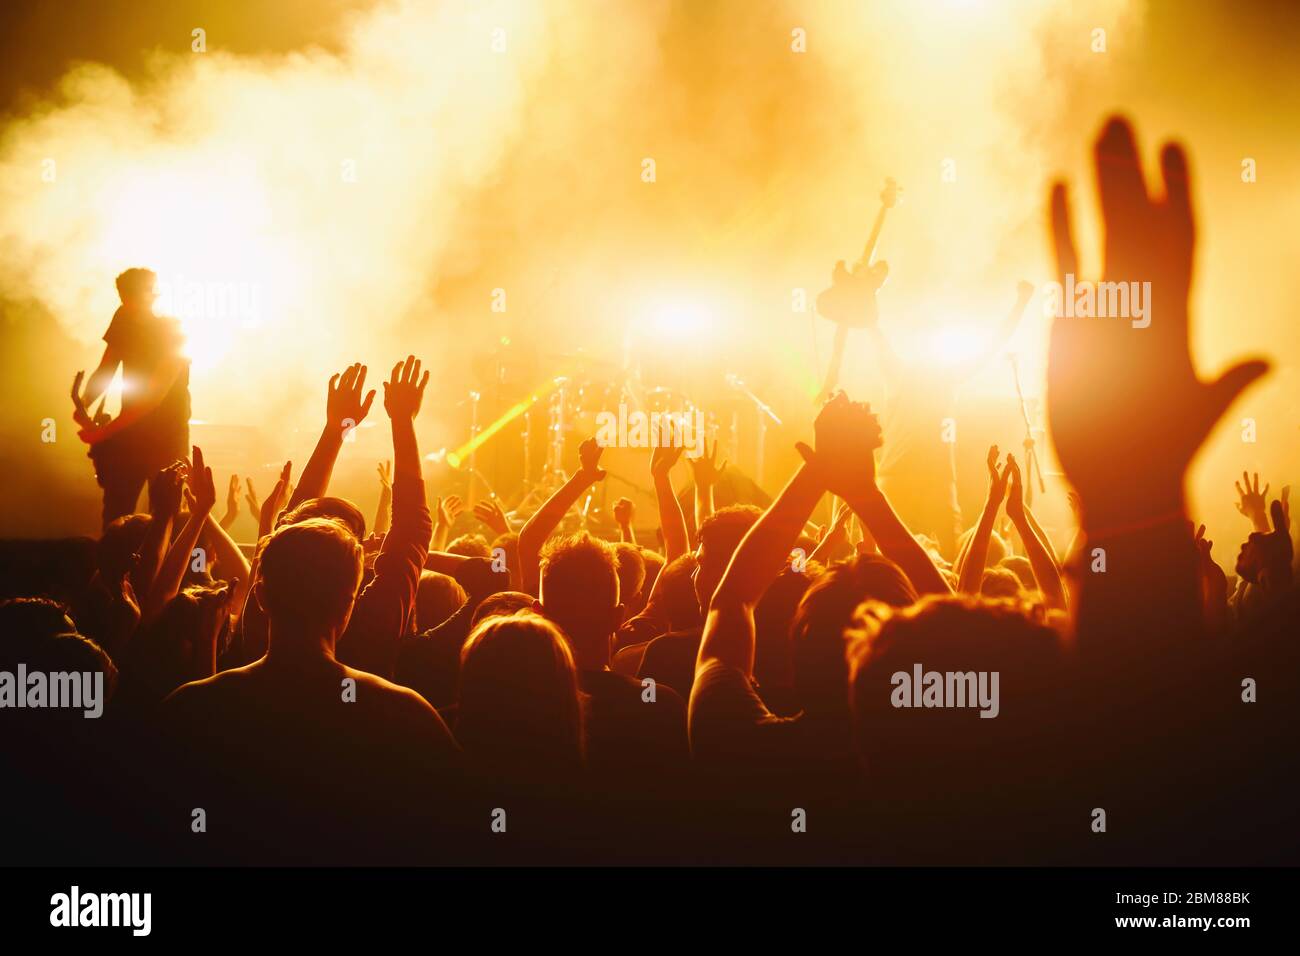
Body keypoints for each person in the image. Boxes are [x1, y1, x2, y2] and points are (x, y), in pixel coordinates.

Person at [160, 517, 461, 864]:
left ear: (260, 597)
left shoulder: (192, 707)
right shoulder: (403, 713)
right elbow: (467, 828)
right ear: (348, 605)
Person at [73, 269, 191, 527]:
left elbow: (152, 398)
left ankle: (160, 566)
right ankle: (112, 563)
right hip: (131, 433)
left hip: (167, 437)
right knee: (116, 513)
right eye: (123, 298)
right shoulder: (124, 318)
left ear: (150, 296)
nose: (126, 304)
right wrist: (84, 404)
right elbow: (107, 367)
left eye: (132, 297)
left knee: (166, 517)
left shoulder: (174, 333)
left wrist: (103, 434)